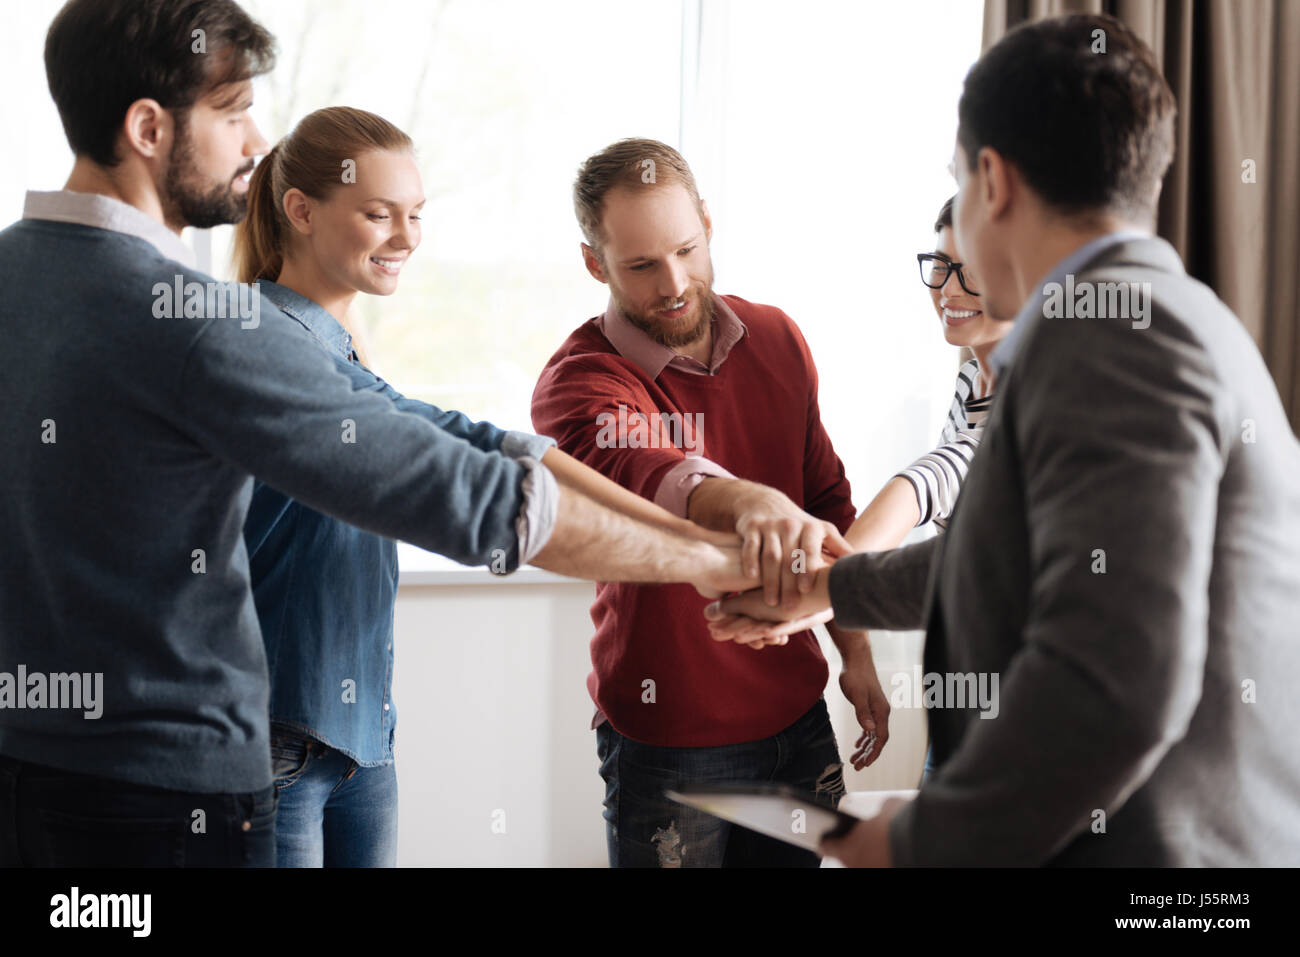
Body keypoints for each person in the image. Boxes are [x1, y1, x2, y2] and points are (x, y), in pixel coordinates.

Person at [0, 0, 765, 868]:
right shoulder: (200, 325)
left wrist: (708, 519)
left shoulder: (15, 273)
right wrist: (724, 564)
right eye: (232, 112)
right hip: (171, 803)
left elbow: (456, 437)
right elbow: (470, 496)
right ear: (147, 127)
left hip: (33, 780)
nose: (253, 140)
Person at [707, 12, 1300, 866]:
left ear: (992, 181)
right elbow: (1008, 556)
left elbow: (1120, 684)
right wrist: (832, 588)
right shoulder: (1149, 318)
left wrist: (922, 841)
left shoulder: (1108, 341)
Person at [531, 138, 890, 868]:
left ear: (706, 222)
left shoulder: (780, 338)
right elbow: (649, 467)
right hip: (668, 744)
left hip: (798, 719)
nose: (673, 283)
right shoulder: (579, 380)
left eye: (686, 250)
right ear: (595, 263)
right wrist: (748, 501)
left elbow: (827, 499)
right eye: (640, 265)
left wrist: (856, 652)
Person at [843, 196, 1013, 781]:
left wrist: (833, 576)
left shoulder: (1041, 390)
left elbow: (944, 473)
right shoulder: (973, 369)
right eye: (940, 264)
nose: (948, 288)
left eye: (973, 270)